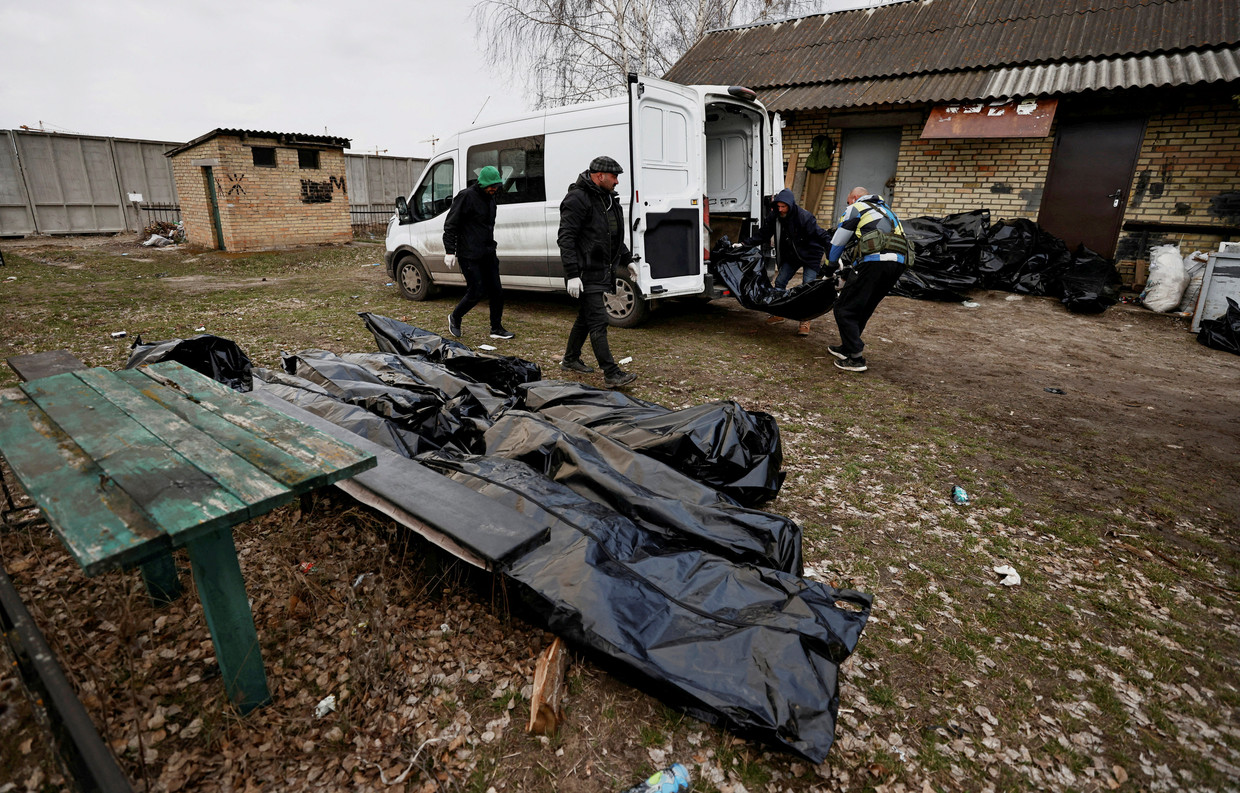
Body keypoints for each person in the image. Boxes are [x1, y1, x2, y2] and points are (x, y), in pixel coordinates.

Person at [557, 155, 637, 388]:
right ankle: (611, 373)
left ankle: (570, 359)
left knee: (585, 318)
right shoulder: (577, 199)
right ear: (599, 176)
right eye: (614, 176)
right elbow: (566, 238)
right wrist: (572, 274)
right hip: (585, 271)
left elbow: (612, 235)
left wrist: (627, 259)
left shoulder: (608, 199)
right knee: (598, 321)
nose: (617, 182)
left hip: (602, 269)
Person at [825, 187, 912, 372]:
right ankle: (848, 348)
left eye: (848, 201)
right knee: (863, 306)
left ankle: (856, 357)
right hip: (898, 264)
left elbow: (838, 241)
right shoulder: (888, 211)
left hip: (875, 261)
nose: (847, 205)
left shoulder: (857, 207)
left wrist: (829, 266)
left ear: (854, 197)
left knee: (843, 307)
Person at [737, 187, 831, 337]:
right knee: (780, 281)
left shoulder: (804, 217)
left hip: (811, 256)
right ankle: (779, 312)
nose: (780, 209)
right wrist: (744, 244)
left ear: (790, 205)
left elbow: (822, 236)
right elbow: (763, 234)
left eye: (783, 206)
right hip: (792, 256)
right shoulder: (774, 216)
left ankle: (804, 320)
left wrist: (833, 256)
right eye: (778, 206)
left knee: (807, 287)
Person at [443, 165, 513, 340]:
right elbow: (451, 225)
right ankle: (455, 317)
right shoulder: (466, 197)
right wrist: (450, 251)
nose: (494, 189)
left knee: (497, 291)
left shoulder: (491, 197)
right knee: (476, 291)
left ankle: (496, 328)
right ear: (482, 183)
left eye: (496, 186)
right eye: (492, 186)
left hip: (488, 251)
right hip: (469, 254)